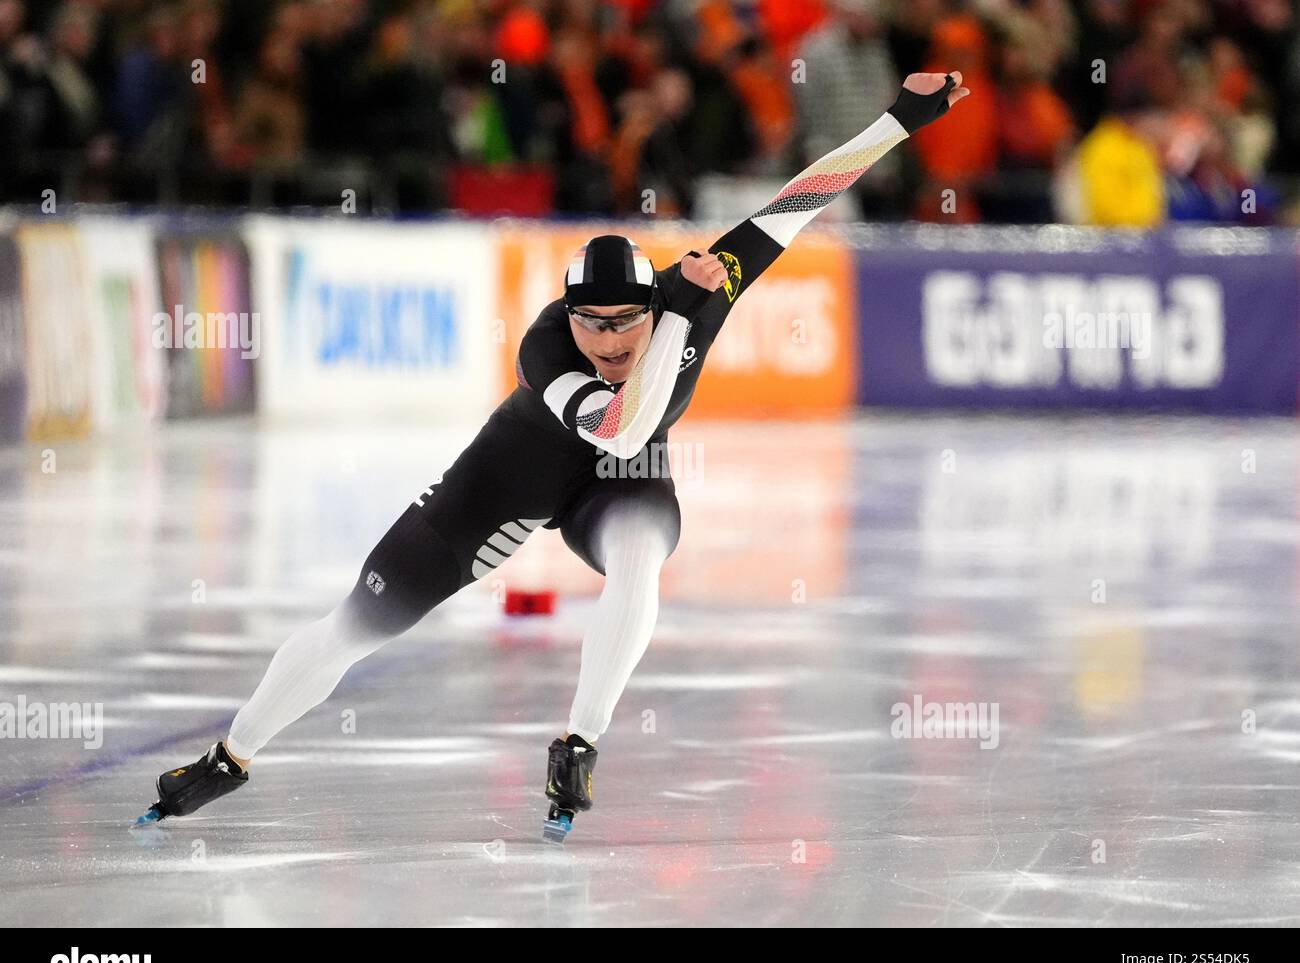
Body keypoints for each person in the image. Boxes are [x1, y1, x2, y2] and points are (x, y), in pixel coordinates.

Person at [139, 70, 971, 841]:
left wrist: (901, 117)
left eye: (625, 322)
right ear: (564, 316)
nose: (607, 340)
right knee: (360, 618)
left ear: (646, 303)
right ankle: (232, 755)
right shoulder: (548, 349)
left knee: (640, 560)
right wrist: (676, 321)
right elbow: (619, 424)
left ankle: (580, 742)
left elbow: (804, 195)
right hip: (511, 474)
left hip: (618, 484)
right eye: (591, 323)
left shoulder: (704, 285)